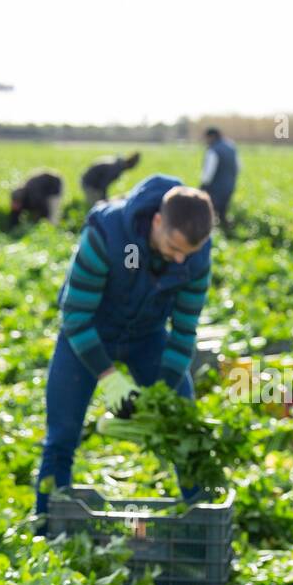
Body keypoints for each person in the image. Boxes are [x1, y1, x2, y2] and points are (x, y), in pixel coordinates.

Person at [35, 175, 215, 518]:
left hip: (147, 336)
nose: (180, 260)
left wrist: (162, 389)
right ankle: (46, 526)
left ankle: (203, 519)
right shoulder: (107, 235)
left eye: (187, 253)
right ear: (157, 221)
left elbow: (184, 331)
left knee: (184, 429)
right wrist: (109, 377)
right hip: (88, 333)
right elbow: (75, 316)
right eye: (174, 248)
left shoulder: (196, 255)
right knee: (61, 437)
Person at [199, 127, 238, 229]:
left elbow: (208, 173)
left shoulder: (213, 150)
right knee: (223, 211)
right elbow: (239, 167)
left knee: (209, 213)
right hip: (230, 186)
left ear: (211, 137)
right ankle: (227, 231)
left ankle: (210, 233)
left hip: (215, 188)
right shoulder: (231, 147)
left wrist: (202, 187)